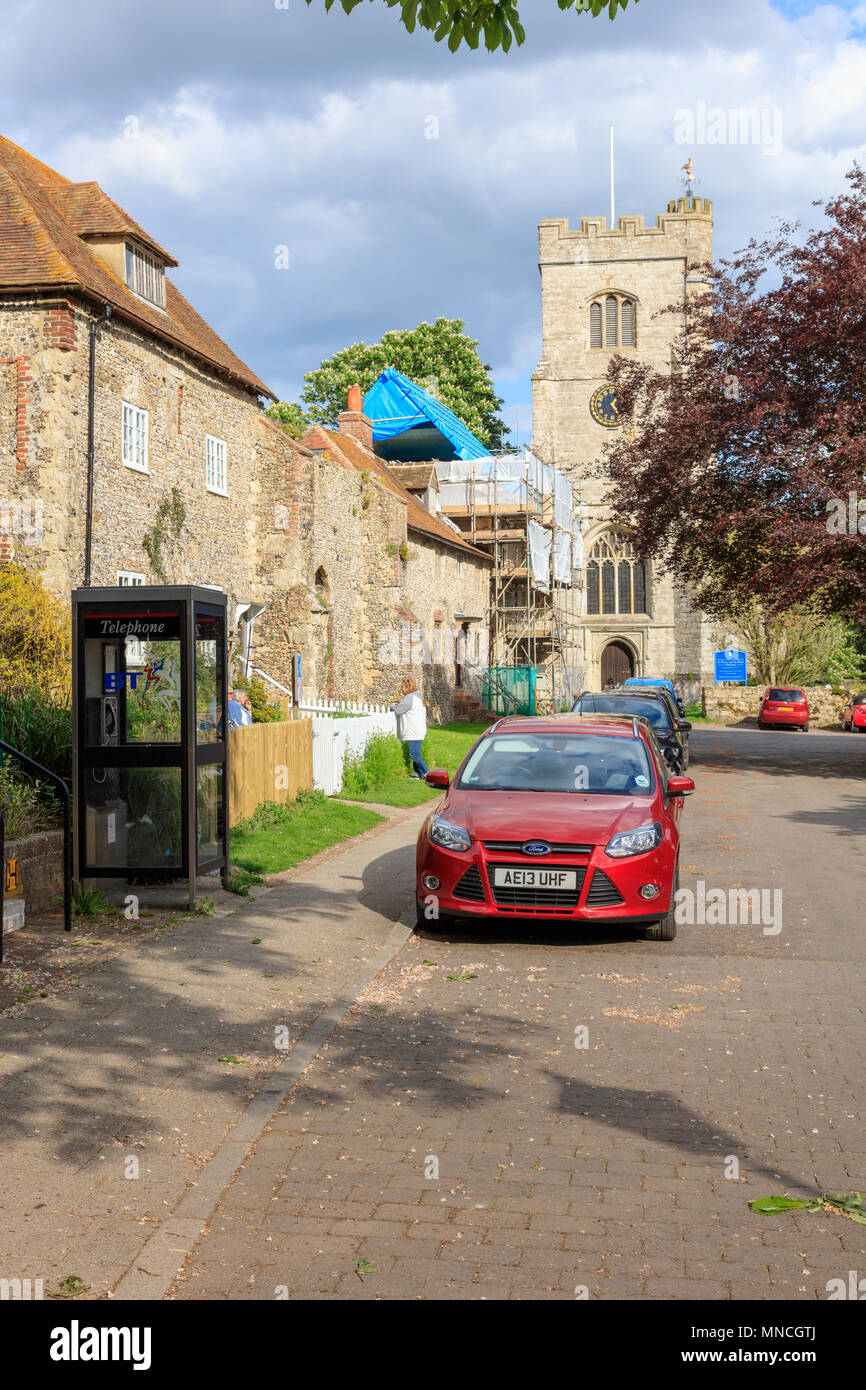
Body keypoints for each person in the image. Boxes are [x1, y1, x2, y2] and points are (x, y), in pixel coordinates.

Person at [389, 678, 429, 779]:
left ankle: (427, 774)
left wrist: (392, 706)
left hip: (414, 731)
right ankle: (418, 774)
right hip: (418, 729)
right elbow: (404, 706)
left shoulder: (409, 698)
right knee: (416, 753)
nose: (401, 689)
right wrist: (400, 704)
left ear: (407, 687)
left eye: (402, 687)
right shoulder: (415, 697)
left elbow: (398, 711)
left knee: (414, 754)